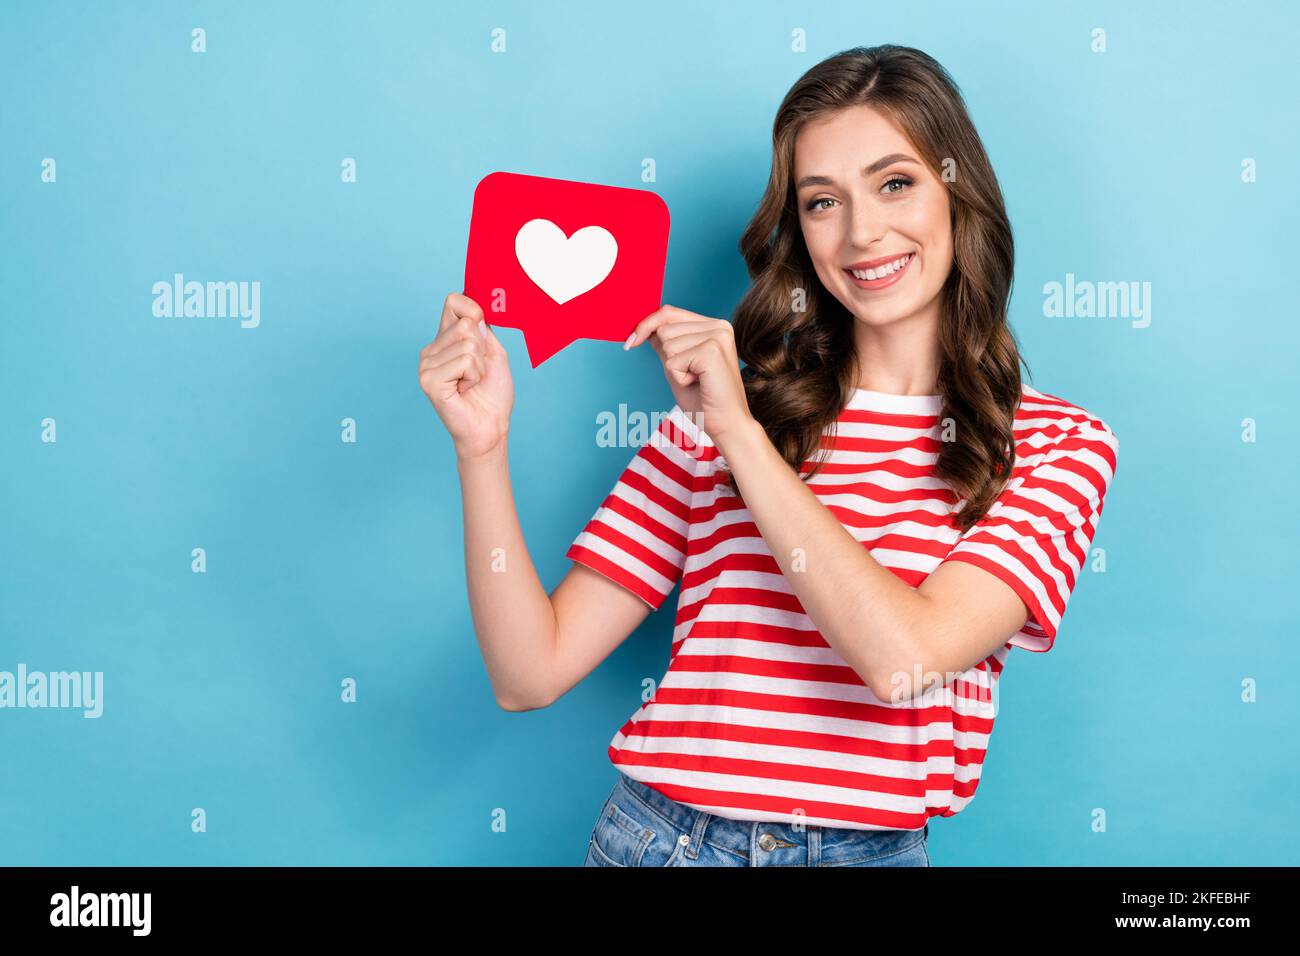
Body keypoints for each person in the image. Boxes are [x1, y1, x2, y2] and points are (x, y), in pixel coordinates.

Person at [418, 44, 1119, 867]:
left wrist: (742, 438)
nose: (862, 232)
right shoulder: (713, 420)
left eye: (895, 183)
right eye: (823, 202)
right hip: (660, 843)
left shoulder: (1053, 445)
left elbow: (904, 660)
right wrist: (483, 446)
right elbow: (526, 674)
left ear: (957, 193)